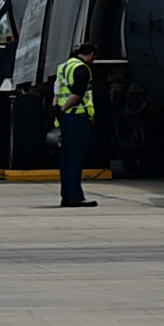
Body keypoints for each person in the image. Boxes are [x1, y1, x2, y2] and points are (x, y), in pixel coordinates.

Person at [52, 43, 98, 208]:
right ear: (91, 53)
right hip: (76, 117)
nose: (94, 60)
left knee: (67, 158)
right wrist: (64, 109)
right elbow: (78, 94)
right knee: (76, 159)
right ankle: (74, 196)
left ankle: (67, 195)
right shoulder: (82, 69)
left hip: (66, 118)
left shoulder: (63, 67)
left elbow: (58, 92)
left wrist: (57, 110)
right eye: (94, 56)